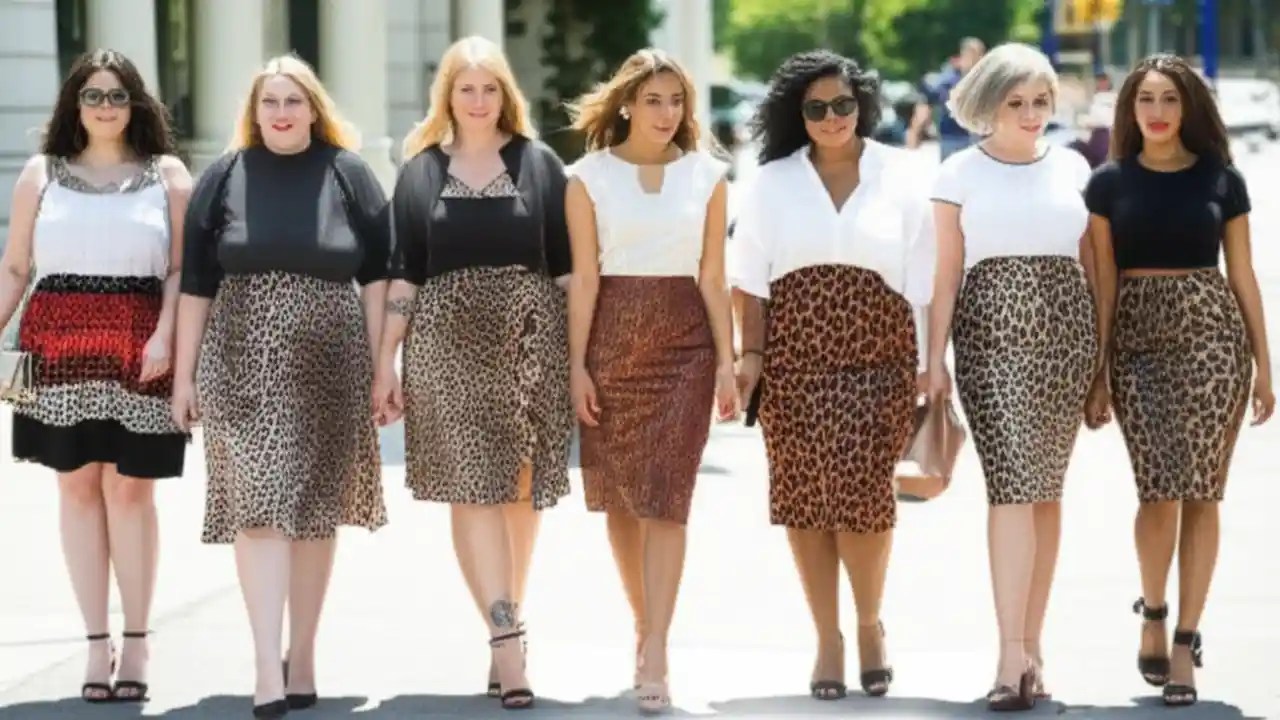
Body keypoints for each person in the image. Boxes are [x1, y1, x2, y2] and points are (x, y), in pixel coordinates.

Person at [171, 54, 390, 719]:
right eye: (270, 102)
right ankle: (267, 664)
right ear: (254, 110)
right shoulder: (224, 177)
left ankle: (304, 652)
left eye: (293, 101)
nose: (282, 113)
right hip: (239, 356)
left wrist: (385, 367)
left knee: (315, 511)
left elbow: (380, 275)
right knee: (258, 506)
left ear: (314, 107)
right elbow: (197, 286)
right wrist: (183, 376)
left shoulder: (349, 174)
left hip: (331, 358)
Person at [730, 49, 935, 702]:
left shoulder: (901, 172)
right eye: (816, 108)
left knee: (865, 500)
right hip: (792, 358)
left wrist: (935, 365)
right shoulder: (771, 182)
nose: (831, 117)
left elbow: (925, 276)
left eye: (843, 104)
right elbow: (749, 277)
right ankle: (828, 637)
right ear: (800, 114)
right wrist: (749, 357)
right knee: (805, 502)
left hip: (881, 356)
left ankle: (869, 623)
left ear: (862, 105)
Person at [374, 35, 571, 710]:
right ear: (448, 96)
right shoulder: (421, 171)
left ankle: (507, 610)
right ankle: (505, 639)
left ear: (505, 94)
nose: (479, 100)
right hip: (445, 346)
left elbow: (568, 269)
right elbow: (404, 272)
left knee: (519, 489)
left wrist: (578, 360)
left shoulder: (539, 164)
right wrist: (385, 361)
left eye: (490, 88)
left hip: (529, 343)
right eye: (467, 88)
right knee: (473, 489)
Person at [1083, 53, 1274, 708]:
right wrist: (1099, 370)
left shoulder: (1224, 180)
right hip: (1137, 341)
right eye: (1146, 100)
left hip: (1214, 339)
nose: (1157, 112)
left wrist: (1265, 365)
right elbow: (1104, 281)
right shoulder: (1108, 184)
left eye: (1169, 99)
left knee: (1203, 491)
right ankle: (1155, 611)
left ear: (1189, 107)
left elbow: (1243, 273)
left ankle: (1188, 641)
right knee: (1158, 487)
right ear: (1130, 109)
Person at [0, 49, 188, 704]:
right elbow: (16, 270)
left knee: (132, 493)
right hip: (54, 343)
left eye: (116, 96)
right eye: (92, 96)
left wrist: (166, 334)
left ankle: (137, 639)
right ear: (73, 105)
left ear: (135, 104)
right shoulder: (39, 174)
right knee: (77, 490)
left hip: (142, 346)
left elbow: (181, 273)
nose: (104, 107)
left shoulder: (167, 175)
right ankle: (94, 642)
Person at [926, 43, 1100, 711]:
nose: (1031, 115)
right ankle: (1007, 658)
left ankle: (1033, 648)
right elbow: (945, 276)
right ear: (988, 103)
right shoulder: (958, 172)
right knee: (1010, 487)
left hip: (1067, 338)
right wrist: (932, 358)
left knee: (1045, 492)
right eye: (1016, 102)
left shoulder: (1078, 166)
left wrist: (1102, 358)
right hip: (988, 338)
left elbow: (1091, 264)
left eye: (1041, 101)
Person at [564, 48, 737, 713]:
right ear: (629, 102)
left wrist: (727, 360)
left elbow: (714, 278)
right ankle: (642, 621)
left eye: (678, 102)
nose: (668, 114)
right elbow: (583, 278)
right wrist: (576, 364)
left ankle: (658, 645)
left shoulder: (708, 177)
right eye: (656, 100)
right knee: (620, 500)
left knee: (667, 496)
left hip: (686, 348)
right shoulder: (586, 177)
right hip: (609, 343)